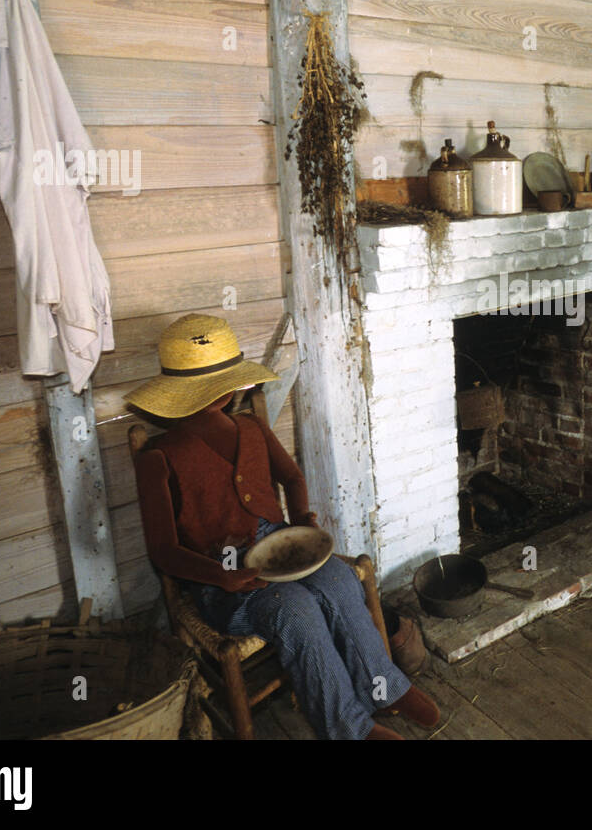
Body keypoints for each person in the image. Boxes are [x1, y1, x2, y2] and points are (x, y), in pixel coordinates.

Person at [127, 313, 438, 740]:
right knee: (296, 610)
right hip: (219, 579)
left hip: (279, 545)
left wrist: (305, 519)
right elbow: (162, 550)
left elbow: (291, 477)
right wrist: (221, 575)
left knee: (339, 578)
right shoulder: (159, 457)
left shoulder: (251, 428)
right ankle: (347, 728)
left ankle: (382, 687)